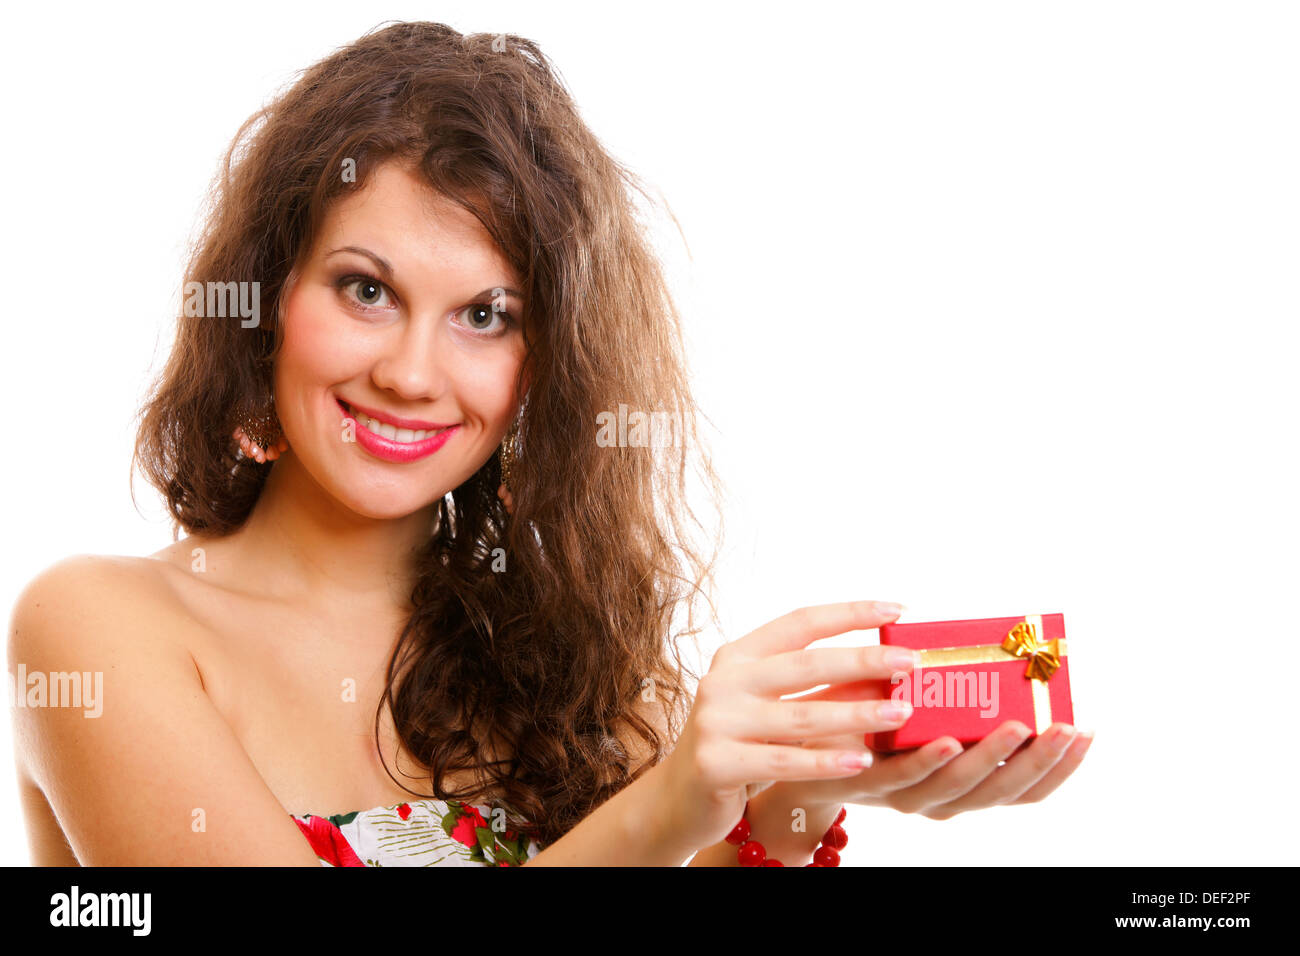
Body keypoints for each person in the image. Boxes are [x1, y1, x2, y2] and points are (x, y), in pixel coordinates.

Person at [7, 21, 1092, 867]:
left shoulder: (582, 677)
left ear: (546, 366)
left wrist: (796, 792)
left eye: (487, 314)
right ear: (267, 299)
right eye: (366, 289)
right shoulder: (97, 629)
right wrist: (666, 808)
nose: (412, 372)